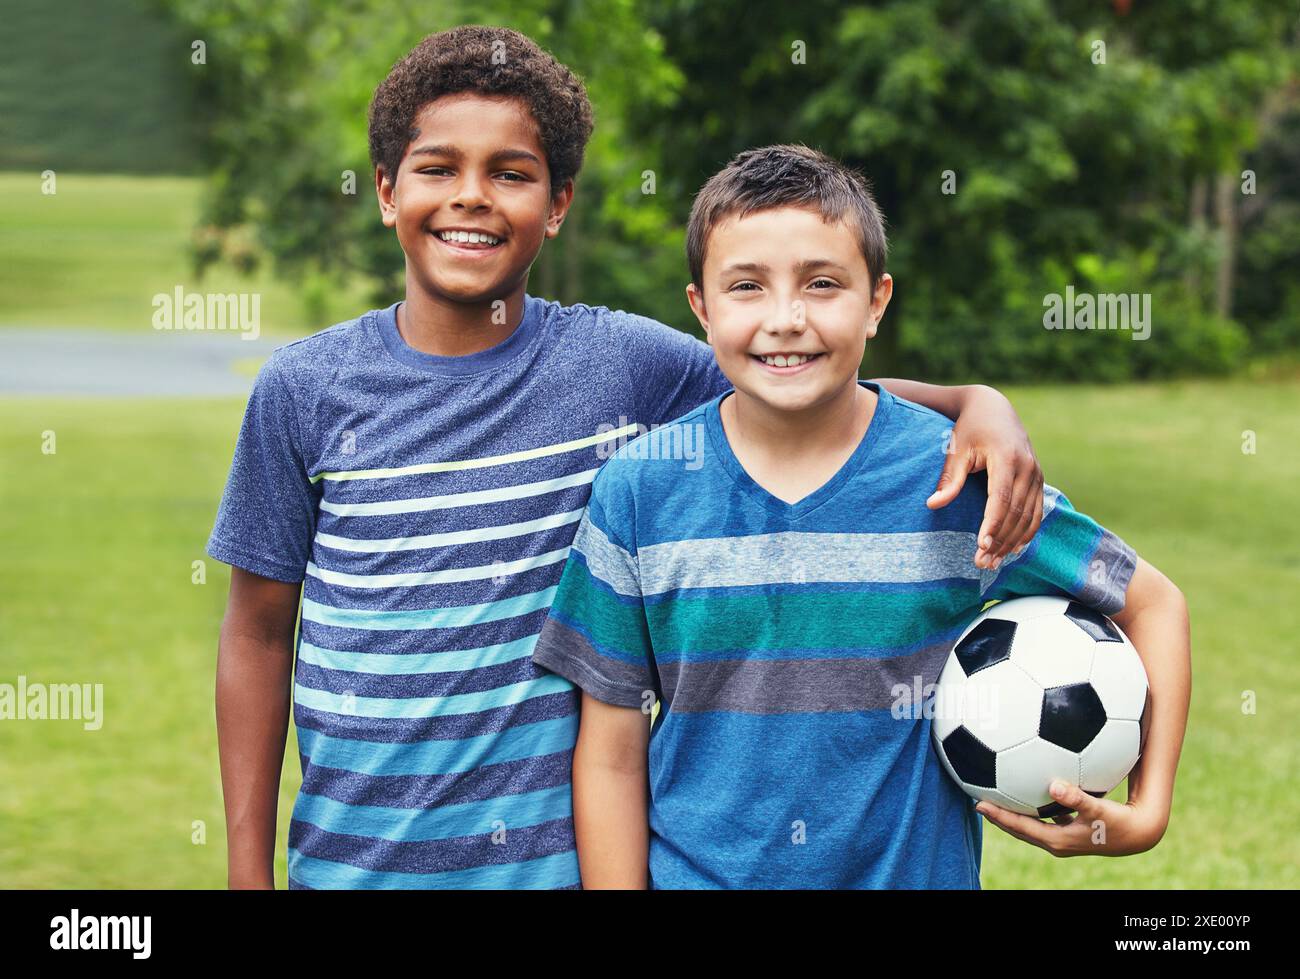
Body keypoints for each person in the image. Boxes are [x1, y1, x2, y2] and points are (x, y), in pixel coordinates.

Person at [208, 28, 1047, 890]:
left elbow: (789, 381)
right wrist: (246, 872)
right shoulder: (303, 390)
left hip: (550, 871)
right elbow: (258, 633)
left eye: (511, 173)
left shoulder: (621, 365)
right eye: (436, 169)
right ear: (386, 191)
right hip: (350, 868)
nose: (472, 197)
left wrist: (970, 402)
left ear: (559, 201)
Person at [531, 144, 1190, 888]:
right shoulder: (641, 493)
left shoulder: (957, 478)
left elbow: (1153, 600)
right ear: (701, 307)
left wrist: (1152, 803)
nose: (786, 318)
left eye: (822, 284)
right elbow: (612, 747)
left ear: (875, 302)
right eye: (746, 286)